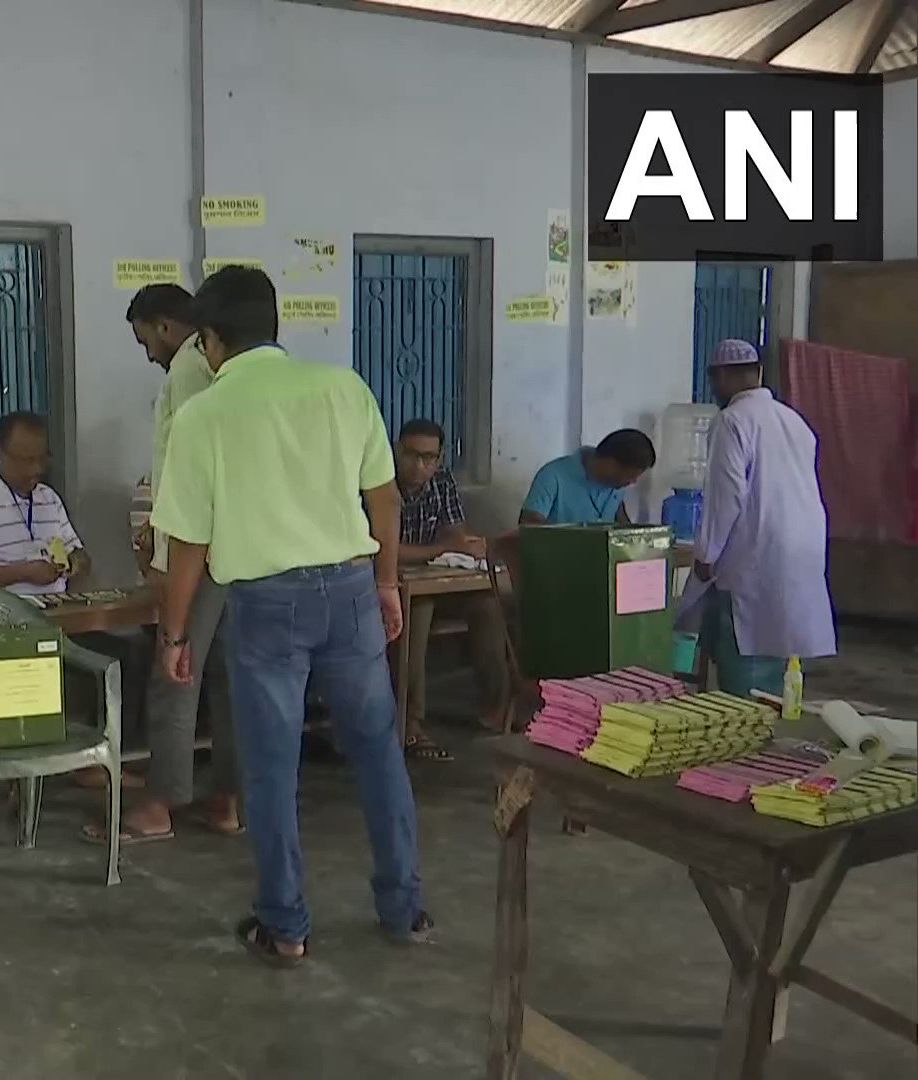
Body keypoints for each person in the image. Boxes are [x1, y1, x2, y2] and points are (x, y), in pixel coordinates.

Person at [153, 266, 432, 966]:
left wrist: (175, 634)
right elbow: (384, 500)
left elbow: (189, 546)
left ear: (210, 340)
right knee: (377, 752)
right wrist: (387, 584)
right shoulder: (343, 387)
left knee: (272, 769)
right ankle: (403, 910)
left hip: (266, 605)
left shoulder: (202, 417)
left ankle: (285, 925)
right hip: (351, 591)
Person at [85, 283, 238, 844]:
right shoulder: (216, 368)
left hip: (198, 552)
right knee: (224, 676)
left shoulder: (190, 369)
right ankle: (226, 799)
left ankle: (159, 805)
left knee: (174, 671)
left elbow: (196, 469)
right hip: (228, 547)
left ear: (166, 326)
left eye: (144, 338)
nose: (146, 351)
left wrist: (172, 545)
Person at [693, 338, 836, 696]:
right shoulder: (793, 420)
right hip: (802, 547)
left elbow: (725, 495)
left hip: (755, 551)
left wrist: (706, 553)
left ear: (720, 377)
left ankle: (744, 720)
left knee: (745, 652)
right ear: (757, 373)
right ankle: (769, 719)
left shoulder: (731, 421)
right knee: (779, 652)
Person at [391, 418, 506, 761]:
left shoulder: (442, 481)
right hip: (389, 586)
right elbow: (382, 549)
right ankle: (410, 724)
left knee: (488, 603)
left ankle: (497, 710)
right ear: (397, 451)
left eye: (429, 458)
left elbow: (458, 533)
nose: (419, 465)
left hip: (435, 579)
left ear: (439, 459)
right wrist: (438, 548)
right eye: (411, 455)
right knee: (419, 606)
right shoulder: (378, 484)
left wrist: (461, 545)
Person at [0, 411, 88, 595]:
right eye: (27, 460)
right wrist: (22, 573)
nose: (37, 469)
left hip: (56, 607)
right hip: (1, 611)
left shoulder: (50, 499)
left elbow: (78, 553)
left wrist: (75, 562)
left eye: (42, 459)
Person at [519, 428, 657, 526]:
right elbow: (529, 525)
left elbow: (623, 527)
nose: (633, 482)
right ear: (611, 464)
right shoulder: (552, 475)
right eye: (631, 475)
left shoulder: (615, 487)